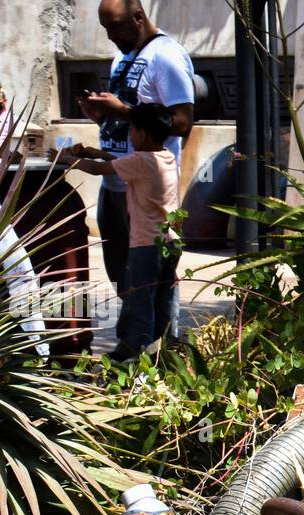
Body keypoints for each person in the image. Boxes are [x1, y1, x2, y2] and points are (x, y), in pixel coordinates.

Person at [79, 0, 194, 344]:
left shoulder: (167, 57)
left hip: (148, 193)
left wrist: (125, 112)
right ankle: (137, 342)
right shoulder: (122, 58)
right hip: (115, 182)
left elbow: (183, 122)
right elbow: (128, 112)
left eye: (116, 27)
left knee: (151, 276)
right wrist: (100, 112)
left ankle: (158, 346)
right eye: (106, 29)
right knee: (123, 275)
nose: (111, 36)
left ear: (139, 17)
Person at [53, 103, 181, 362]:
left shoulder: (141, 161)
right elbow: (123, 164)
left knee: (141, 299)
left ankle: (139, 355)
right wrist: (96, 152)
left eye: (132, 129)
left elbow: (101, 170)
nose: (130, 135)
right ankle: (160, 350)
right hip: (170, 243)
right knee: (161, 299)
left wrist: (69, 160)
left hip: (146, 244)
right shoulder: (165, 157)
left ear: (143, 134)